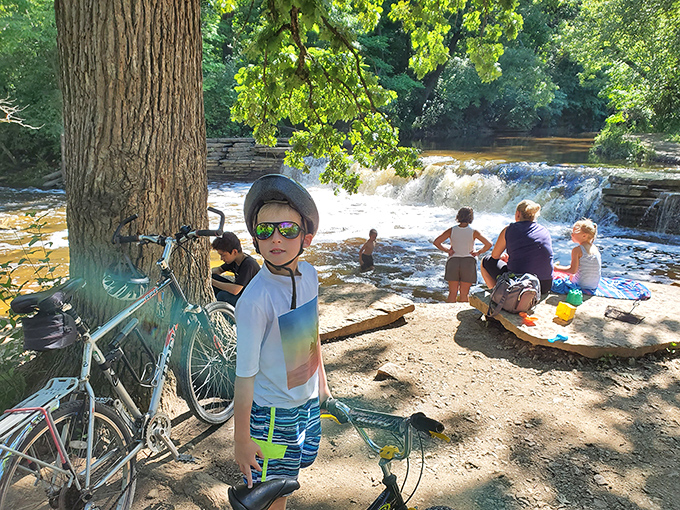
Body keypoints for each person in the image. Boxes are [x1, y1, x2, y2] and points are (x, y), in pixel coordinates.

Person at [233, 174, 332, 510]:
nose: (276, 238)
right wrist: (241, 439)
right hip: (272, 416)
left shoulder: (311, 276)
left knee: (289, 482)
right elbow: (244, 377)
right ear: (255, 238)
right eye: (265, 230)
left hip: (305, 406)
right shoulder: (254, 300)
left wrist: (323, 384)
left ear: (307, 236)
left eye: (287, 230)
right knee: (273, 497)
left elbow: (311, 332)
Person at [481, 199, 554, 295]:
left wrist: (502, 257)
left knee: (486, 261)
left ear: (518, 214)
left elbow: (494, 256)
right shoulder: (544, 230)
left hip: (520, 285)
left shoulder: (509, 229)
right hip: (544, 285)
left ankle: (499, 294)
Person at [433, 207, 492, 302]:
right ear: (471, 218)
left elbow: (436, 242)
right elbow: (489, 244)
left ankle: (449, 314)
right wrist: (478, 252)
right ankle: (464, 315)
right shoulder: (474, 231)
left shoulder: (451, 230)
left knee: (452, 293)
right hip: (468, 262)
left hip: (453, 261)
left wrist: (447, 250)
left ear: (458, 216)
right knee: (464, 294)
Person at [211, 232, 260, 306]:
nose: (221, 258)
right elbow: (218, 270)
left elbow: (235, 290)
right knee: (214, 277)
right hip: (242, 293)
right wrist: (206, 274)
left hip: (253, 301)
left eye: (223, 255)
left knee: (222, 296)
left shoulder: (249, 264)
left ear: (234, 252)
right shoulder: (234, 260)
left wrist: (211, 281)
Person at [554, 219, 601, 290]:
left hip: (581, 285)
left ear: (584, 236)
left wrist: (556, 268)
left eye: (574, 233)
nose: (571, 234)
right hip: (593, 285)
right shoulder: (594, 248)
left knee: (562, 276)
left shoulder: (577, 250)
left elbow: (572, 270)